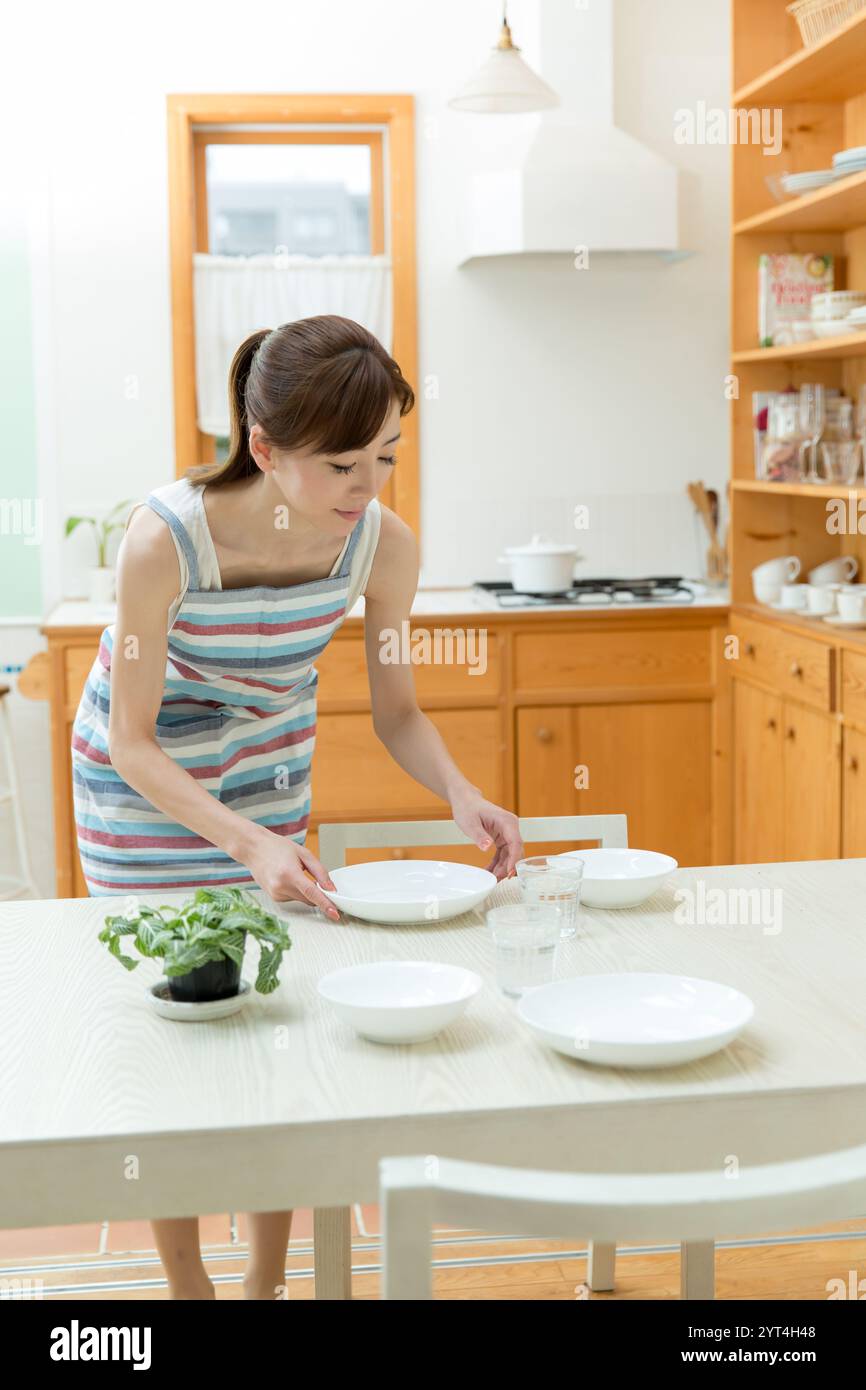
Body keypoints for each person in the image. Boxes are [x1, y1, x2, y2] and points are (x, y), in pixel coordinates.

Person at [70, 314, 523, 1298]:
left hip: (268, 769)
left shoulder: (380, 548)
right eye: (341, 465)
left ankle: (264, 1283)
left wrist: (460, 791)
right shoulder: (164, 539)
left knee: (274, 1016)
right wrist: (245, 845)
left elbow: (398, 709)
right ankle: (189, 1285)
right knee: (184, 1026)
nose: (367, 489)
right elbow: (131, 741)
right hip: (144, 791)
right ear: (265, 449)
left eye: (386, 457)